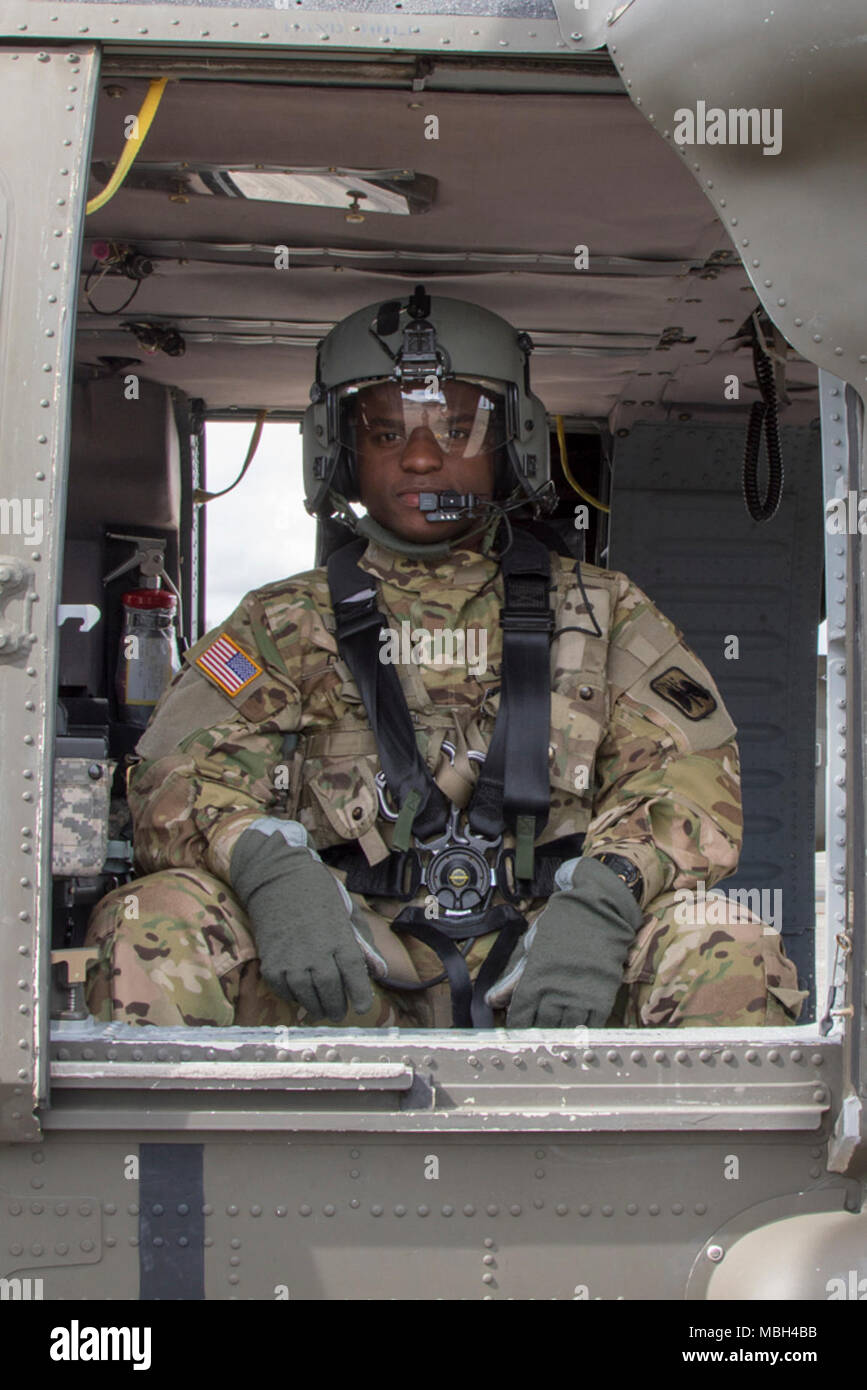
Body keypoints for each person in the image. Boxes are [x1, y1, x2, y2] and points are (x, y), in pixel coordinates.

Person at [84, 286, 806, 1030]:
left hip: (552, 956)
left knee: (725, 936)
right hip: (340, 959)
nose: (424, 457)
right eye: (388, 435)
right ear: (339, 452)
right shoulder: (279, 622)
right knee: (152, 915)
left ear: (509, 445)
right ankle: (177, 1150)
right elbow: (173, 780)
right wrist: (267, 870)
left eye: (458, 430)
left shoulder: (605, 612)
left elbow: (688, 782)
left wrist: (602, 903)